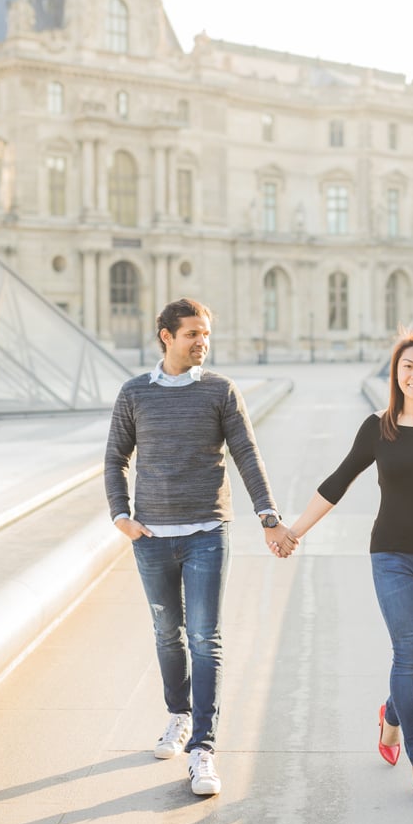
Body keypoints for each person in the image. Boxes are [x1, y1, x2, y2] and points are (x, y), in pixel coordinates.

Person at [104, 298, 296, 797]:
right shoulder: (134, 394)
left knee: (204, 637)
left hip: (208, 533)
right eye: (192, 333)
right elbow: (115, 457)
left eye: (206, 334)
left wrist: (268, 515)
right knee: (167, 633)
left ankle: (203, 750)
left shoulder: (220, 391)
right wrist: (120, 515)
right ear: (165, 335)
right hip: (151, 538)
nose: (202, 342)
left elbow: (247, 454)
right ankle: (178, 715)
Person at [287, 331, 413, 801]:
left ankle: (392, 716)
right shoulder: (379, 427)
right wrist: (294, 531)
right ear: (396, 373)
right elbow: (338, 482)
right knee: (409, 653)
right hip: (390, 555)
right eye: (407, 367)